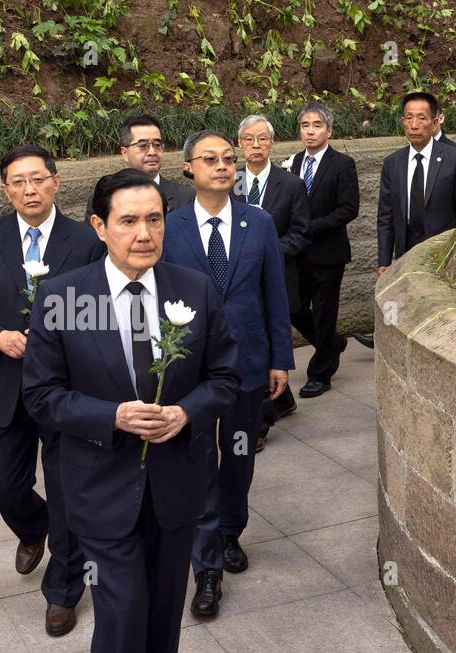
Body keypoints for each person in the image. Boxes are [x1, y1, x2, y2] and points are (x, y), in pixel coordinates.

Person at [24, 168, 240, 653]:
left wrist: (188, 413)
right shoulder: (63, 297)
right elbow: (41, 394)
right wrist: (110, 416)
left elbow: (227, 377)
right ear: (99, 227)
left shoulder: (194, 290)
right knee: (118, 624)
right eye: (128, 221)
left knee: (160, 619)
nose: (144, 233)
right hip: (101, 493)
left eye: (154, 220)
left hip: (175, 491)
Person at [0, 145, 104, 636]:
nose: (29, 190)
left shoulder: (84, 240)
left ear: (57, 183)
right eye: (17, 182)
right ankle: (31, 526)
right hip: (6, 386)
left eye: (37, 179)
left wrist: (59, 334)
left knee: (66, 495)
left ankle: (62, 591)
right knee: (1, 485)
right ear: (5, 190)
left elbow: (102, 308)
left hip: (66, 389)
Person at [162, 131, 292, 618]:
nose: (222, 166)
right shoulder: (169, 227)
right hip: (189, 367)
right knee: (197, 459)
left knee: (239, 454)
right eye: (209, 159)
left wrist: (281, 357)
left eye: (228, 159)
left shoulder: (257, 224)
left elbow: (274, 294)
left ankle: (231, 529)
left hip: (248, 363)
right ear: (188, 169)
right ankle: (207, 565)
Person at [234, 113, 310, 447]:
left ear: (272, 143)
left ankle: (259, 426)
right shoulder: (229, 182)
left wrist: (266, 253)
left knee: (267, 341)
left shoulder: (291, 184)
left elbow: (300, 233)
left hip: (276, 276)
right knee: (252, 345)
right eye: (249, 139)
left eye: (262, 138)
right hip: (239, 282)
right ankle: (278, 402)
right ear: (239, 144)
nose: (255, 145)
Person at [287, 103, 359, 397]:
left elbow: (348, 209)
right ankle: (332, 344)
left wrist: (310, 227)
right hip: (298, 252)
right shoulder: (293, 163)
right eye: (305, 125)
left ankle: (320, 373)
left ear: (328, 130)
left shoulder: (342, 164)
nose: (310, 131)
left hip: (328, 253)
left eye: (317, 125)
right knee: (294, 308)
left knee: (325, 313)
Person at [377, 91, 456, 276]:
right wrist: (384, 260)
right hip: (405, 251)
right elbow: (385, 216)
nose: (414, 125)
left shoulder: (454, 158)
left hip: (442, 251)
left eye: (422, 118)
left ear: (435, 122)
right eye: (409, 118)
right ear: (402, 121)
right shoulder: (393, 163)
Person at [84, 113, 194, 221]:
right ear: (125, 153)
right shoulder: (102, 198)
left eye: (157, 145)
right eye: (142, 146)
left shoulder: (187, 197)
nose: (152, 152)